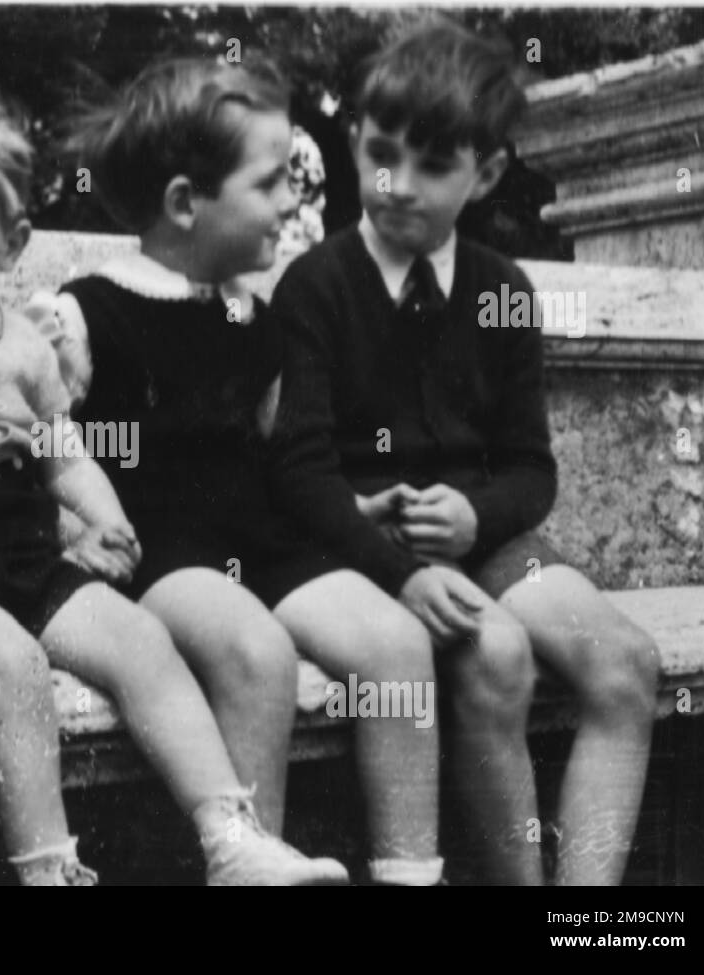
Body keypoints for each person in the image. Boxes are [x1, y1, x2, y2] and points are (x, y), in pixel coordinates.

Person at [0, 9, 348, 885]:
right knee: (15, 665)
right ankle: (50, 865)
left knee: (141, 640)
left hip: (31, 558)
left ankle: (230, 832)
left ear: (12, 244)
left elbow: (63, 447)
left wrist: (100, 517)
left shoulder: (24, 342)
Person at [34, 53, 444, 886]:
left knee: (399, 645)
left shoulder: (257, 317)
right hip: (162, 553)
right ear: (186, 202)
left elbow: (281, 457)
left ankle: (411, 875)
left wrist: (352, 509)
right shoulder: (88, 314)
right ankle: (254, 867)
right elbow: (44, 444)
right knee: (258, 653)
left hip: (262, 540)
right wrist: (75, 530)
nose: (293, 202)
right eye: (269, 184)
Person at [271, 17, 659, 884]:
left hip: (484, 543)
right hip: (359, 548)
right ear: (354, 141)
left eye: (434, 165)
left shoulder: (501, 292)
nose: (399, 185)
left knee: (625, 663)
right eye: (382, 154)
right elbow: (298, 469)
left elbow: (532, 467)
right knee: (496, 654)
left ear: (484, 174)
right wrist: (397, 563)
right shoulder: (318, 287)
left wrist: (476, 511)